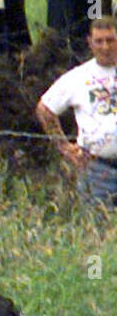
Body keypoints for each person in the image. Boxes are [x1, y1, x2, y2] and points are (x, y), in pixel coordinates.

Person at [35, 15, 117, 207]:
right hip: (97, 170)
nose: (105, 47)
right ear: (90, 43)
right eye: (99, 41)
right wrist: (64, 147)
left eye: (110, 40)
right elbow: (45, 109)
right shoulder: (78, 77)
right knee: (98, 231)